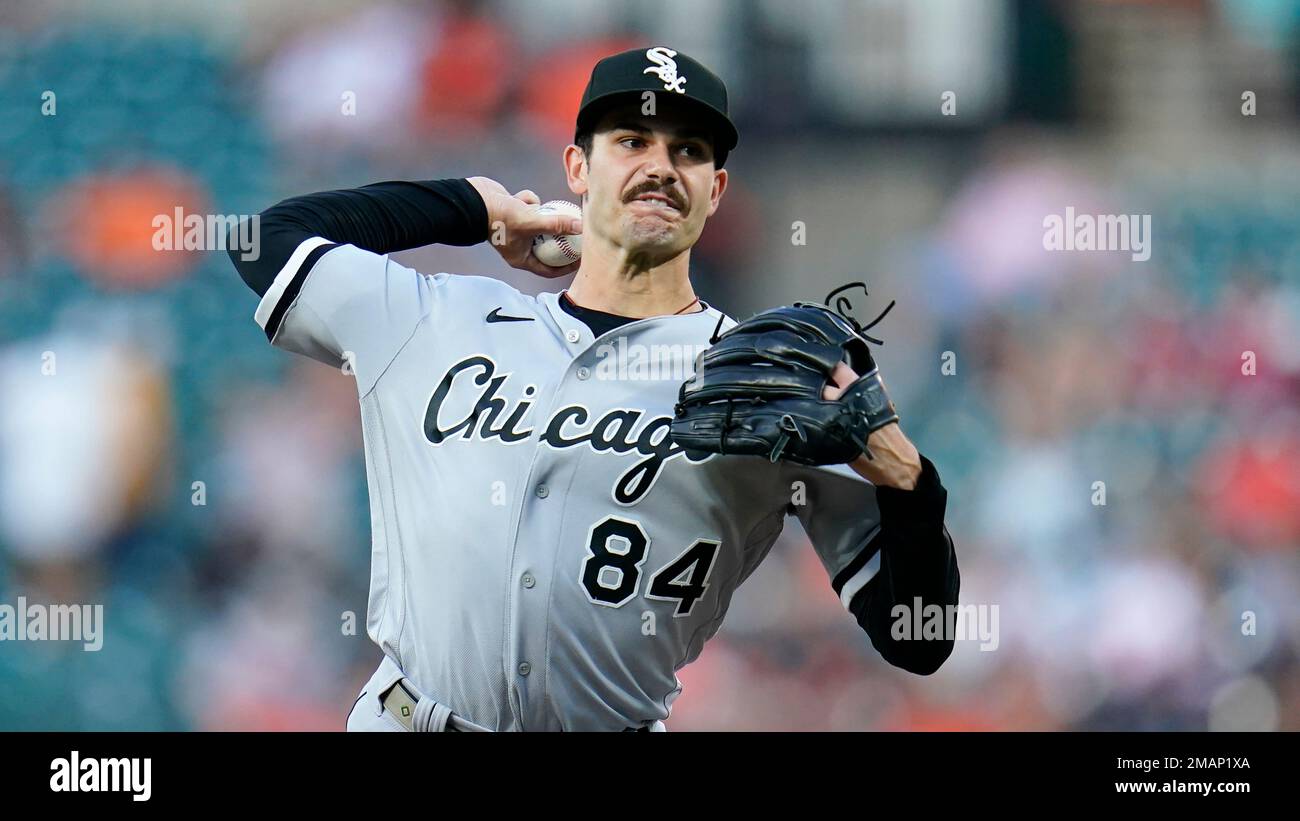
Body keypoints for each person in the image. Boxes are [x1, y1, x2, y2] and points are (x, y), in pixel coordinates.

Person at [227, 46, 958, 732]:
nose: (661, 166)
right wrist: (473, 207)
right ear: (576, 167)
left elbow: (916, 637)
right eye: (632, 142)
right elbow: (265, 239)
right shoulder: (441, 318)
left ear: (715, 190)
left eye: (690, 151)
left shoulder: (766, 383)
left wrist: (909, 482)